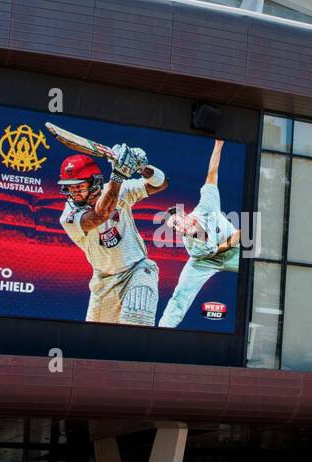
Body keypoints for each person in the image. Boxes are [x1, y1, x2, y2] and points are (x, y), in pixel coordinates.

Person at [58, 143, 169, 325]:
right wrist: (119, 174)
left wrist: (142, 167)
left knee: (134, 325)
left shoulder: (121, 190)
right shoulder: (68, 217)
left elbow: (162, 183)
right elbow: (101, 215)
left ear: (94, 182)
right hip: (104, 280)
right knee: (94, 344)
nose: (74, 193)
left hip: (137, 270)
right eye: (70, 188)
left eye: (79, 187)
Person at [157, 139, 241, 328]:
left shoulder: (207, 206)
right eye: (174, 229)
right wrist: (234, 238)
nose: (179, 229)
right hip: (204, 261)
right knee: (180, 295)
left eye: (177, 222)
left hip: (237, 251)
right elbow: (218, 250)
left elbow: (212, 173)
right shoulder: (192, 249)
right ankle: (163, 331)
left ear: (184, 214)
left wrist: (218, 145)